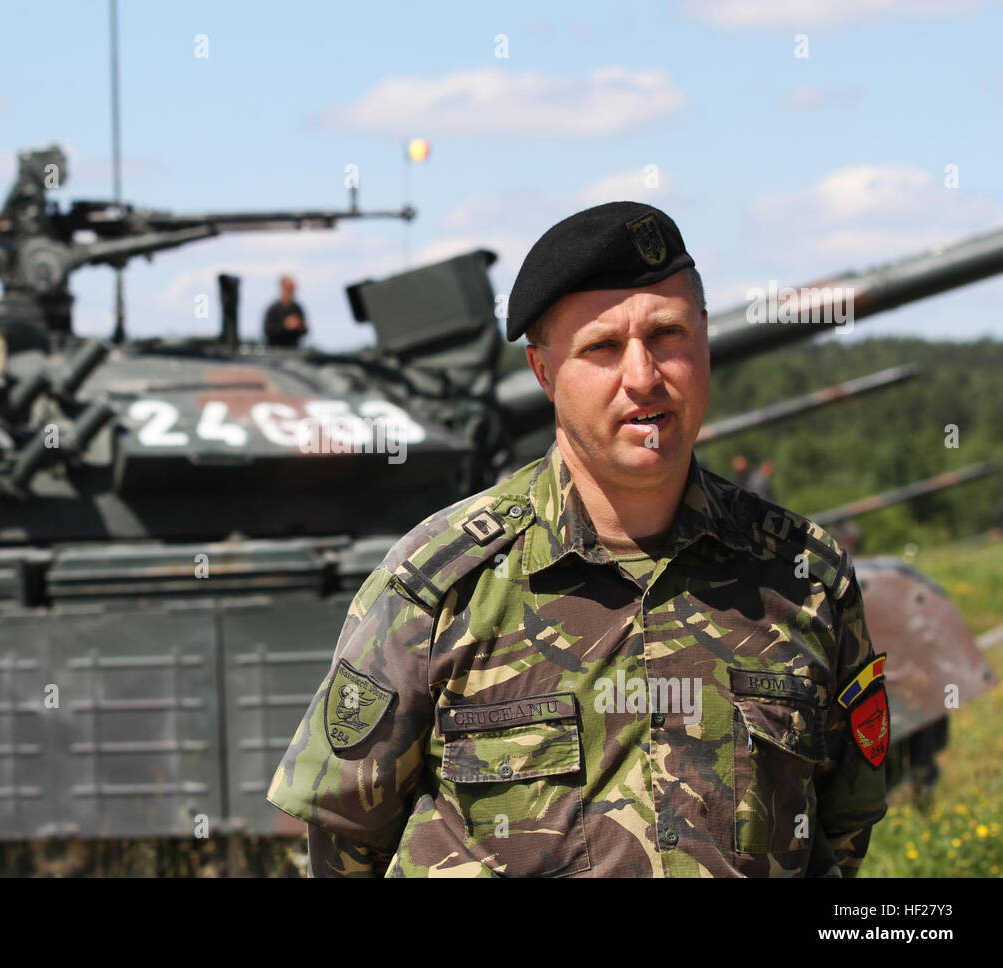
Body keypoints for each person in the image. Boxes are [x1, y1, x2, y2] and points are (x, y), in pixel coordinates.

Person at [266, 201, 887, 878]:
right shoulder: (439, 584)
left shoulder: (803, 577)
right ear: (543, 371)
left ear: (704, 338)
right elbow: (347, 841)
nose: (644, 376)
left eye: (668, 333)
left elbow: (841, 833)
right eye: (602, 347)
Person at [262, 275, 307, 347]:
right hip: (274, 351)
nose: (291, 291)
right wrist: (285, 326)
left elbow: (305, 331)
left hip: (293, 350)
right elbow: (268, 331)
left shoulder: (297, 308)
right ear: (282, 288)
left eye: (292, 288)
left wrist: (299, 325)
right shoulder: (273, 309)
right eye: (288, 288)